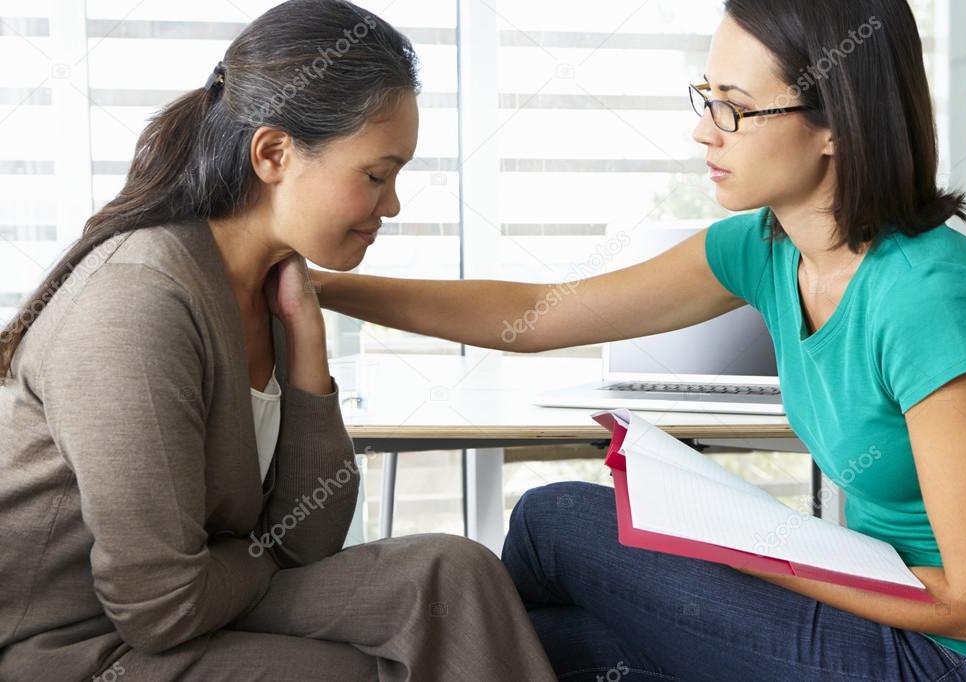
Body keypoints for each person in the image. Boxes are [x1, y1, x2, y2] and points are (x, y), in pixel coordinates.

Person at [307, 0, 966, 679]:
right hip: (885, 625)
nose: (703, 130)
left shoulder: (924, 298)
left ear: (836, 122)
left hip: (960, 661)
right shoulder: (766, 249)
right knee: (539, 648)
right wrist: (325, 288)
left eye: (734, 108)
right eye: (705, 96)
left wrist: (742, 547)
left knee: (553, 517)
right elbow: (535, 316)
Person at [0, 1, 556, 680]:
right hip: (81, 647)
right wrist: (260, 554)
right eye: (376, 175)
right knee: (362, 670)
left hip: (201, 600)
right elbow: (158, 607)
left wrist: (308, 349)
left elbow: (311, 537)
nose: (392, 205)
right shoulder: (138, 303)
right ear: (273, 153)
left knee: (451, 571)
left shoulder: (270, 289)